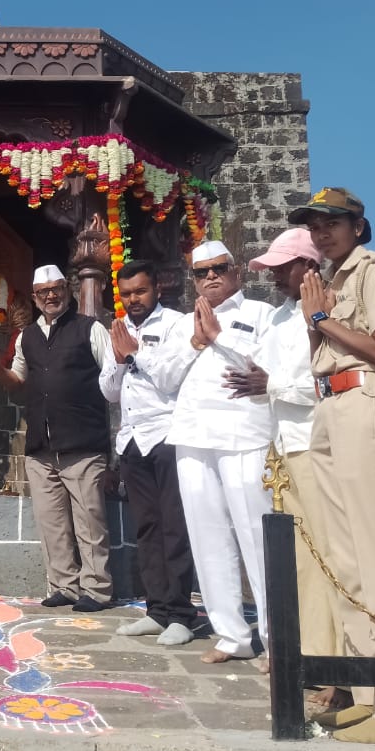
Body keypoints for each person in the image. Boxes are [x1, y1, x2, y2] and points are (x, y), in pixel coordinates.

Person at [290, 187, 375, 744]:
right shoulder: (329, 282)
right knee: (346, 560)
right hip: (329, 407)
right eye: (314, 225)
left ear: (358, 227)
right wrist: (315, 313)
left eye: (333, 223)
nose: (322, 232)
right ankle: (367, 693)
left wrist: (319, 316)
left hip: (366, 402)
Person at [223, 228, 345, 704]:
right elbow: (256, 376)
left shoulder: (328, 312)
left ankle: (333, 665)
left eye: (282, 267)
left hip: (317, 444)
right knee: (295, 562)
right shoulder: (276, 318)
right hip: (282, 445)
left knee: (325, 558)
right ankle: (303, 654)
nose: (273, 276)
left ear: (309, 267)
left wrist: (271, 386)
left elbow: (327, 385)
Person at [156, 240, 274, 665]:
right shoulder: (185, 323)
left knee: (258, 537)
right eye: (201, 271)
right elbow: (164, 377)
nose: (210, 277)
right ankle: (231, 635)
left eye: (219, 268)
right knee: (209, 540)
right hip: (192, 436)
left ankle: (278, 639)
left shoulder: (262, 315)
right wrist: (195, 342)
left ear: (236, 271)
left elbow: (263, 373)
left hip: (245, 435)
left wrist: (218, 340)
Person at [0, 265, 114, 612]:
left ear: (67, 290)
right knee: (51, 523)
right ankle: (64, 586)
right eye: (44, 292)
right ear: (35, 298)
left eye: (56, 289)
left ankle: (97, 589)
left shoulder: (90, 329)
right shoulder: (27, 336)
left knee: (90, 522)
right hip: (41, 445)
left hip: (83, 443)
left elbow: (114, 379)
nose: (51, 296)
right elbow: (19, 384)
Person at [98, 260, 195, 644]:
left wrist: (136, 354)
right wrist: (122, 360)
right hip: (132, 439)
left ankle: (182, 614)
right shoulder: (118, 330)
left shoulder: (176, 324)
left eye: (140, 291)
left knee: (174, 525)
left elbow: (173, 377)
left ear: (157, 288)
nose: (133, 300)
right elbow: (108, 390)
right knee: (147, 527)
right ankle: (157, 609)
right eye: (126, 294)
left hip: (167, 434)